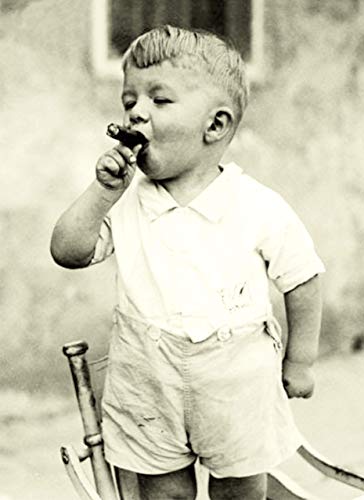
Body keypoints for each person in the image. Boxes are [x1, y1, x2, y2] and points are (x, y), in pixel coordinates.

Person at [51, 25, 324, 500]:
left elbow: (302, 278)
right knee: (163, 494)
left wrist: (300, 360)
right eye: (129, 100)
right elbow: (68, 251)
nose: (136, 112)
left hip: (235, 384)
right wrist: (101, 193)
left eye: (159, 101)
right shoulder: (126, 201)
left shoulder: (256, 206)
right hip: (148, 382)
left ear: (214, 126)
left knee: (240, 490)